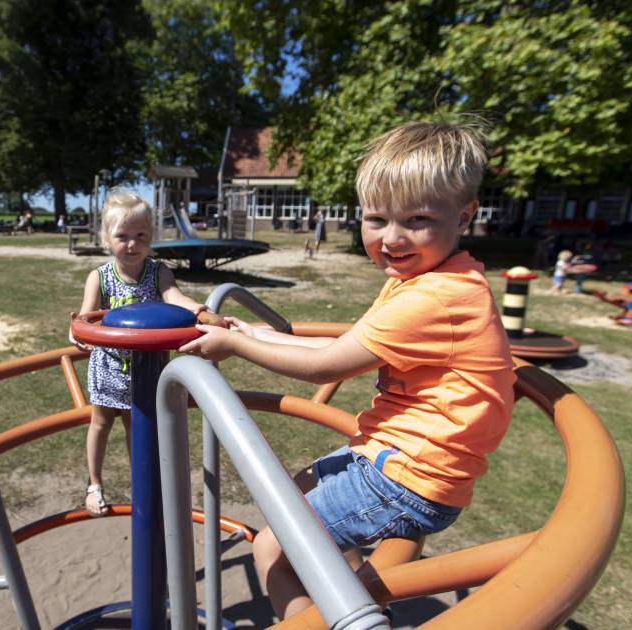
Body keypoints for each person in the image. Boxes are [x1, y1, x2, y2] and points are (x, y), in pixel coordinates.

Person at [179, 120, 516, 620]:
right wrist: (251, 332)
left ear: (464, 215)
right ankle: (345, 588)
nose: (393, 237)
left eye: (418, 219)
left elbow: (323, 366)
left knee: (275, 549)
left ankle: (326, 617)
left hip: (411, 477)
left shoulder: (437, 297)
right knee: (291, 490)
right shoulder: (425, 278)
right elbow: (343, 344)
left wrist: (233, 344)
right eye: (376, 218)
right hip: (391, 455)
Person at [69, 190, 211, 517]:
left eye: (141, 236)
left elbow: (173, 295)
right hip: (108, 368)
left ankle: (142, 487)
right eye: (122, 236)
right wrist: (76, 330)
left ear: (151, 237)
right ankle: (94, 484)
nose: (131, 244)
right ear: (106, 238)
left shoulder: (158, 272)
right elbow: (86, 316)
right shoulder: (99, 277)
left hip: (144, 371)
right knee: (101, 424)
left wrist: (198, 309)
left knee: (139, 429)